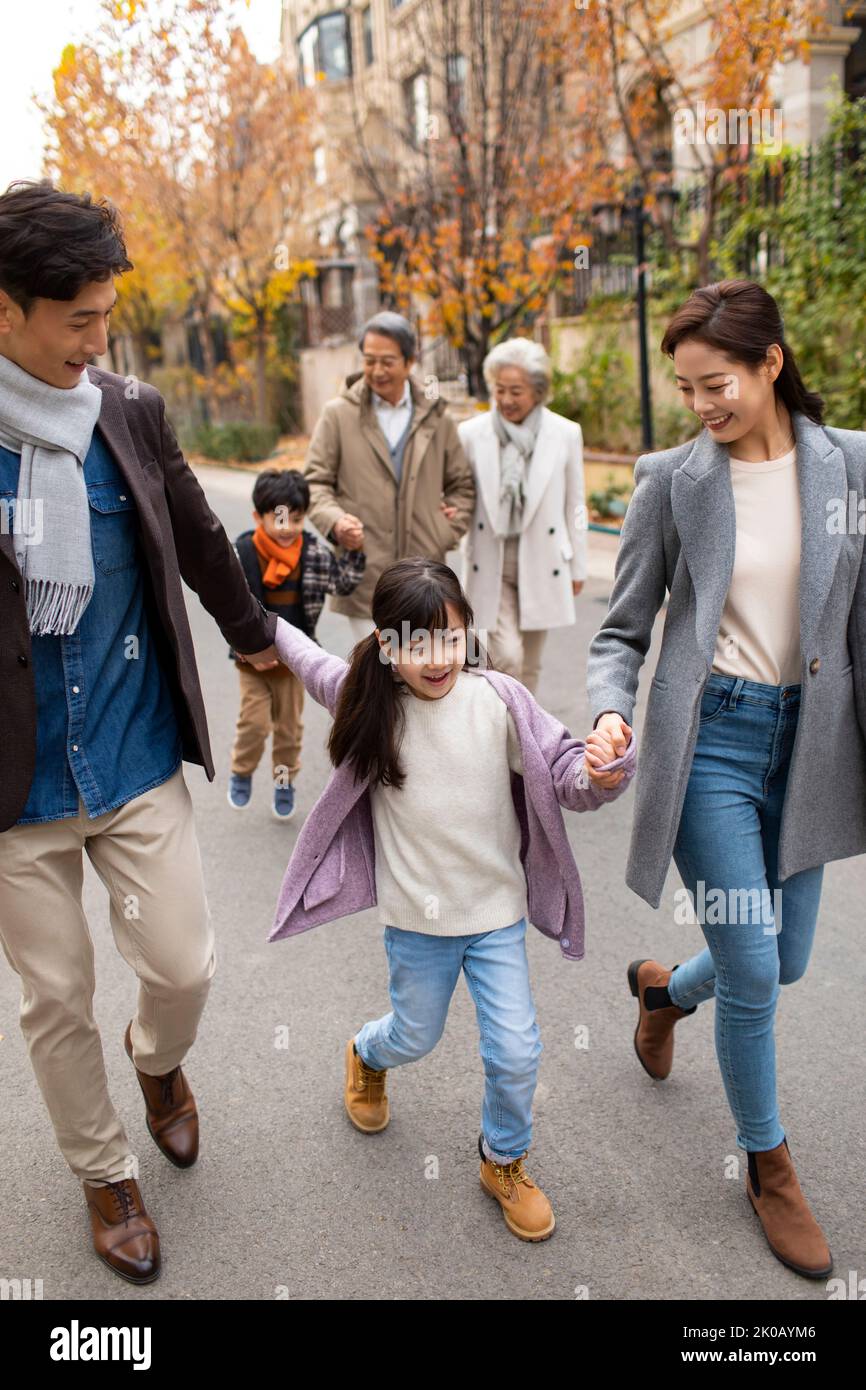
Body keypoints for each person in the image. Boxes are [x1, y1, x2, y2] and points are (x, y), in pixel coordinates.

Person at [0, 180, 279, 1285]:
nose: (98, 339)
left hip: (128, 752)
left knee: (182, 966)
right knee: (55, 993)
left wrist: (261, 640)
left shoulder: (129, 409)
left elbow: (205, 543)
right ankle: (103, 1172)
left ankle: (157, 1063)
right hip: (14, 789)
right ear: (7, 309)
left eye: (107, 314)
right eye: (77, 318)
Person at [586, 278, 866, 1280]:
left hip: (813, 745)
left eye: (716, 385)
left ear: (769, 363)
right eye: (686, 388)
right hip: (709, 743)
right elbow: (620, 627)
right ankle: (766, 1165)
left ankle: (662, 993)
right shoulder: (671, 478)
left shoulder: (849, 466)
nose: (701, 406)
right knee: (753, 971)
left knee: (780, 960)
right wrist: (612, 706)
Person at [266, 557, 636, 1241]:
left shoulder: (497, 700)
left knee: (517, 1049)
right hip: (417, 924)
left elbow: (564, 772)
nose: (436, 657)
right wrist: (257, 618)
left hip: (494, 916)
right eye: (414, 641)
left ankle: (504, 1159)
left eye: (450, 637)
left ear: (468, 631)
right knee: (415, 1035)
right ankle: (368, 1056)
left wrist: (601, 767)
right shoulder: (367, 700)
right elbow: (307, 657)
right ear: (387, 647)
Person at [302, 310, 476, 644]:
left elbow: (462, 486)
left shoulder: (437, 417)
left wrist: (443, 531)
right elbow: (315, 482)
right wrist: (336, 522)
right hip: (364, 571)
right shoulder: (338, 415)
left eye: (387, 361)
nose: (377, 371)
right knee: (380, 673)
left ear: (410, 362)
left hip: (424, 577)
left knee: (420, 675)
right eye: (369, 361)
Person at [226, 467, 365, 820]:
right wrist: (242, 644)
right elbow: (225, 605)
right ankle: (242, 771)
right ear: (258, 516)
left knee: (288, 730)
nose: (288, 529)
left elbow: (343, 583)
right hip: (252, 661)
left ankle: (284, 780)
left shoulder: (313, 555)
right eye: (280, 520)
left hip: (293, 660)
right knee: (254, 724)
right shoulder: (241, 554)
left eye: (297, 520)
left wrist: (353, 550)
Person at [458, 337, 588, 692]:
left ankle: (521, 740)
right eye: (499, 390)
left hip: (542, 557)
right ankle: (498, 726)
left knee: (530, 664)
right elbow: (457, 490)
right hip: (490, 557)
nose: (506, 400)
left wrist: (578, 564)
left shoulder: (564, 434)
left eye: (516, 391)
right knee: (506, 657)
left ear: (538, 392)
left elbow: (575, 504)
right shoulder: (471, 434)